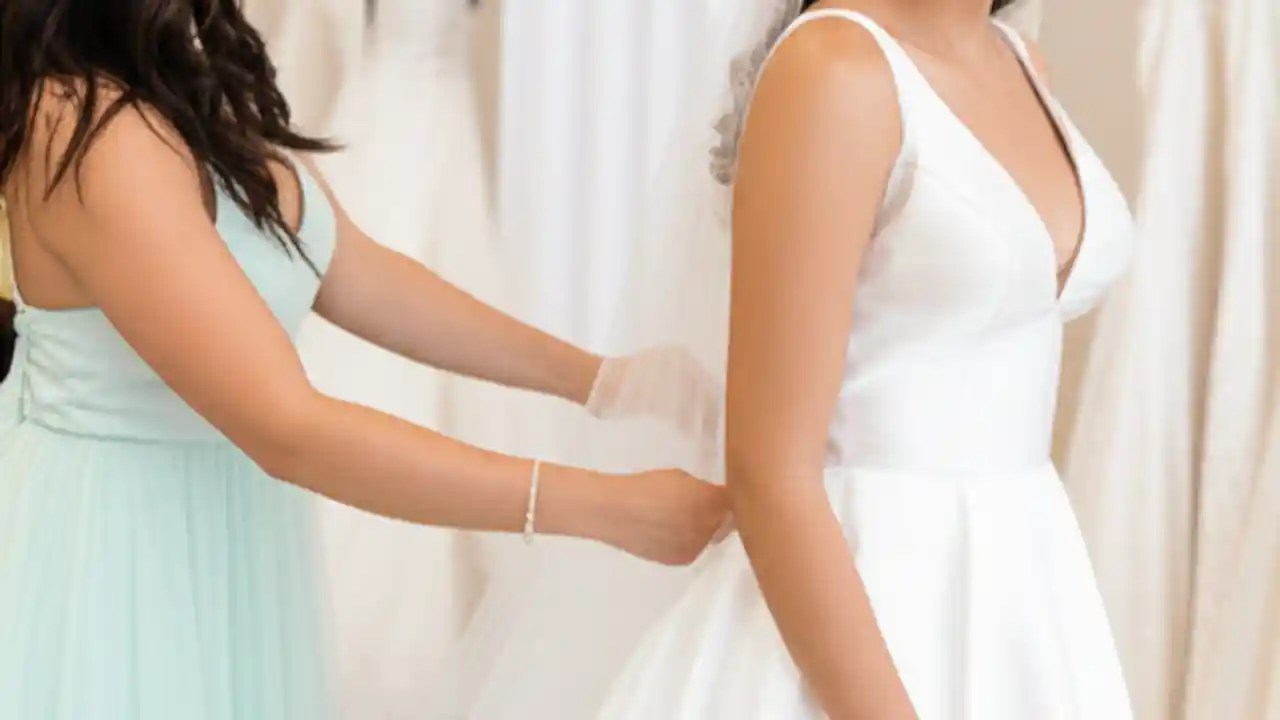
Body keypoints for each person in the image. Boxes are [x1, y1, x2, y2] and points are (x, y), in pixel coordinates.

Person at [0, 2, 727, 718]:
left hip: (223, 534)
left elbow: (354, 272)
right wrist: (601, 506)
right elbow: (291, 429)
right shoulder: (86, 129)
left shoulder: (175, 85)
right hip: (118, 558)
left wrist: (601, 380)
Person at [592, 0, 1137, 717]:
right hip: (862, 589)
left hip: (1028, 589)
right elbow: (770, 476)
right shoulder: (834, 70)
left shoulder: (1020, 60)